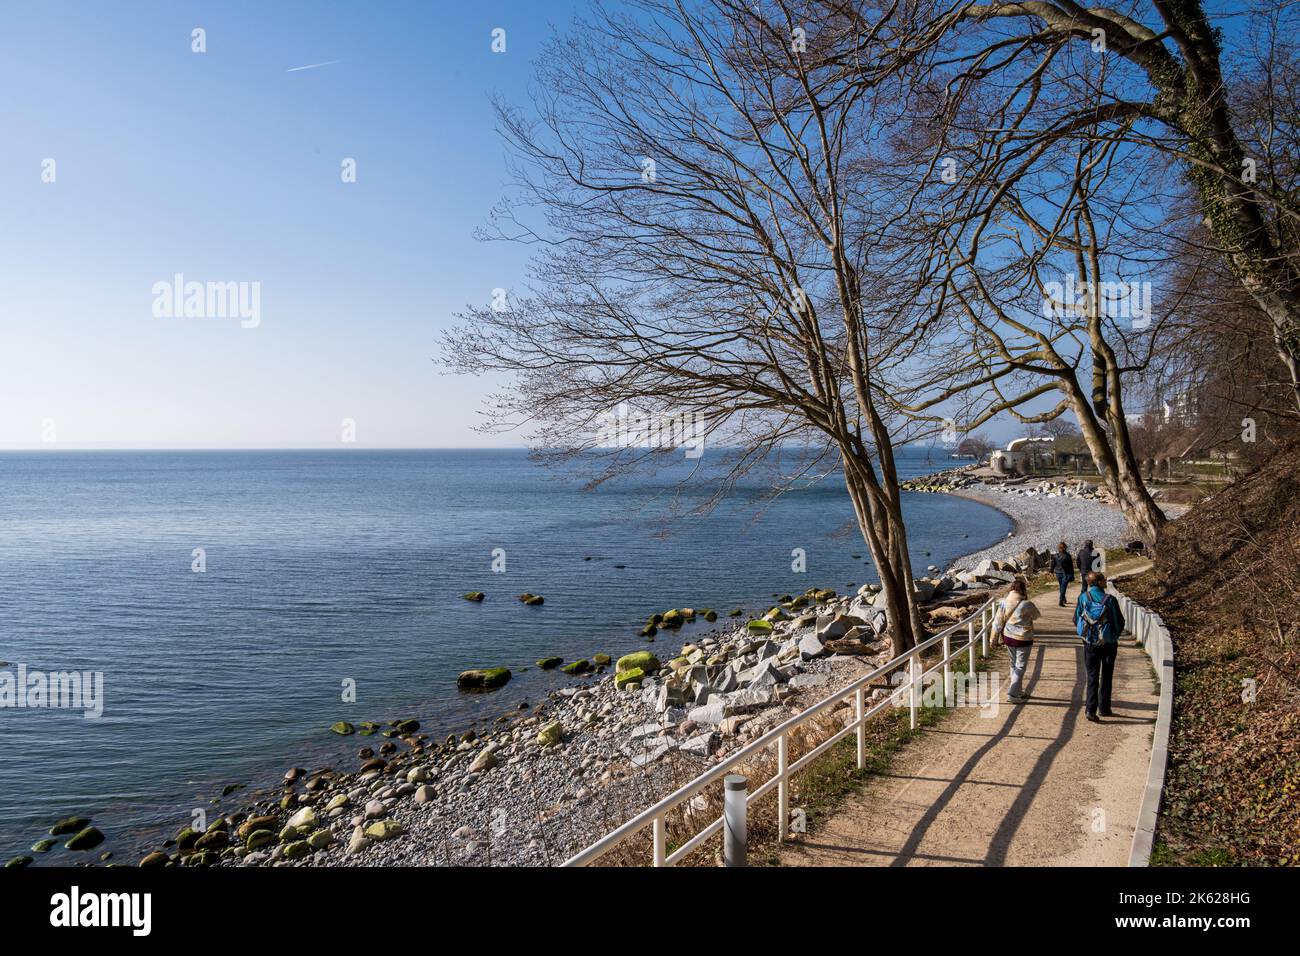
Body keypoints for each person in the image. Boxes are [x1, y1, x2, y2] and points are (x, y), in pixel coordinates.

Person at [1074, 571, 1126, 721]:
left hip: (1090, 643)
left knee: (1092, 676)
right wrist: (1114, 635)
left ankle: (1090, 710)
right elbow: (1119, 622)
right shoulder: (1110, 600)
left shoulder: (1083, 598)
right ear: (1098, 582)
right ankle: (1104, 708)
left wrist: (1086, 636)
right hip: (1108, 643)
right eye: (1103, 579)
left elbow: (1076, 618)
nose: (1105, 580)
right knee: (1107, 675)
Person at [991, 578, 1041, 702]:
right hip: (1024, 638)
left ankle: (1017, 691)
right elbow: (1036, 616)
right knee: (1021, 666)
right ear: (1023, 590)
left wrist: (993, 640)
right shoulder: (1027, 604)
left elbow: (997, 622)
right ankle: (1013, 694)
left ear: (1011, 589)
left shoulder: (1003, 602)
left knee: (1013, 664)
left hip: (1008, 637)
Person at [1049, 541, 1075, 607]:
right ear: (1065, 548)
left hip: (1058, 573)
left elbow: (1052, 565)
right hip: (1066, 574)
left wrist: (1051, 571)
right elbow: (1071, 566)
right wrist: (1072, 574)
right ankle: (1061, 600)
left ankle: (1063, 599)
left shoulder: (1055, 556)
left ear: (1058, 548)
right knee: (1063, 587)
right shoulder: (1068, 556)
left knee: (1061, 586)